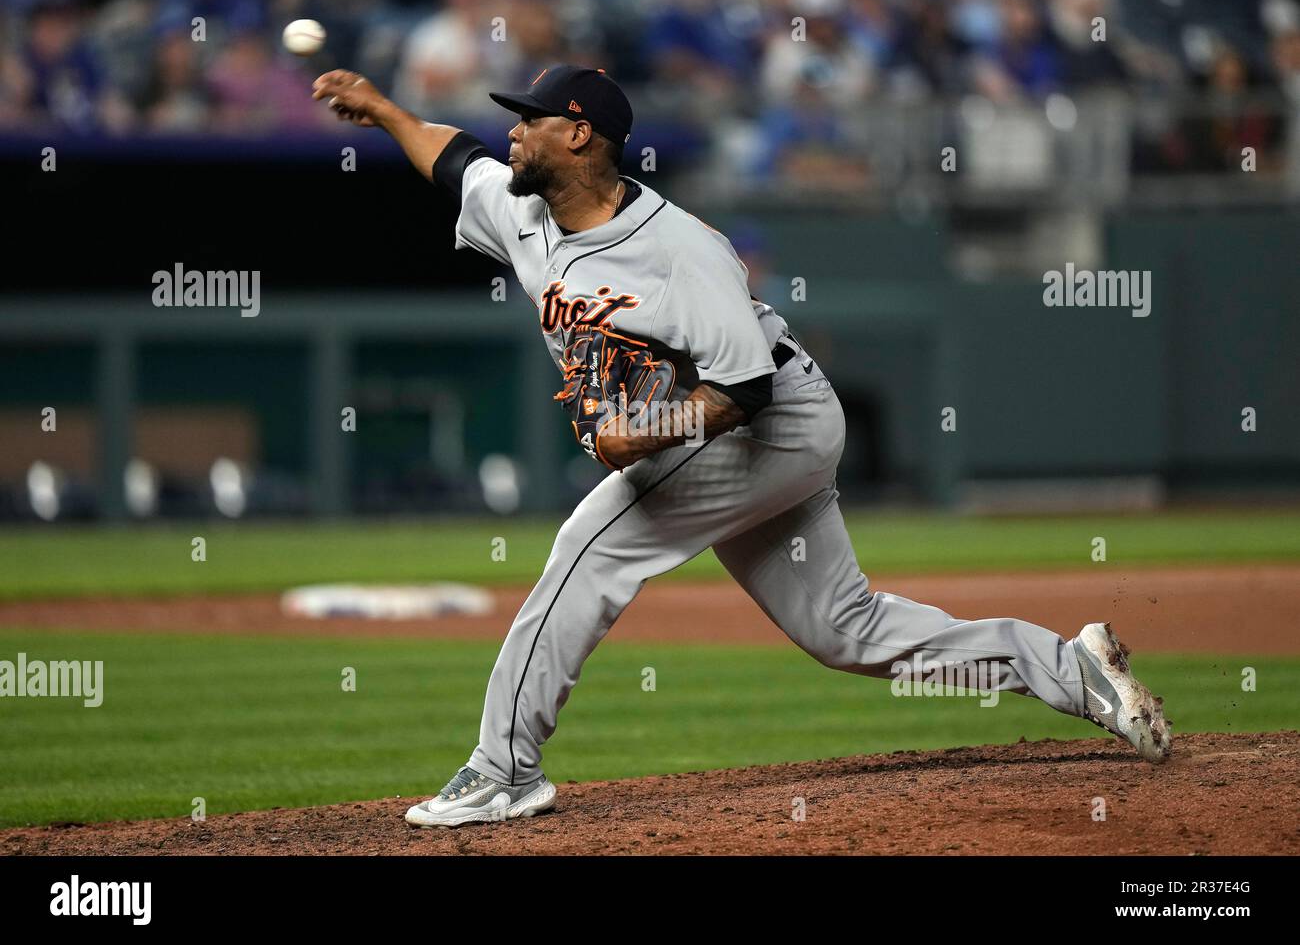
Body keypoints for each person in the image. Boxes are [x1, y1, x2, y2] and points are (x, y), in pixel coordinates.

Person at [310, 63, 1172, 828]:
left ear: (579, 136)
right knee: (846, 630)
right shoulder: (522, 210)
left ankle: (504, 772)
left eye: (530, 117)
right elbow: (452, 156)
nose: (514, 130)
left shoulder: (681, 250)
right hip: (741, 437)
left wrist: (646, 432)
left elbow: (747, 387)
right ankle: (1072, 668)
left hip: (776, 421)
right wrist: (382, 107)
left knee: (588, 549)